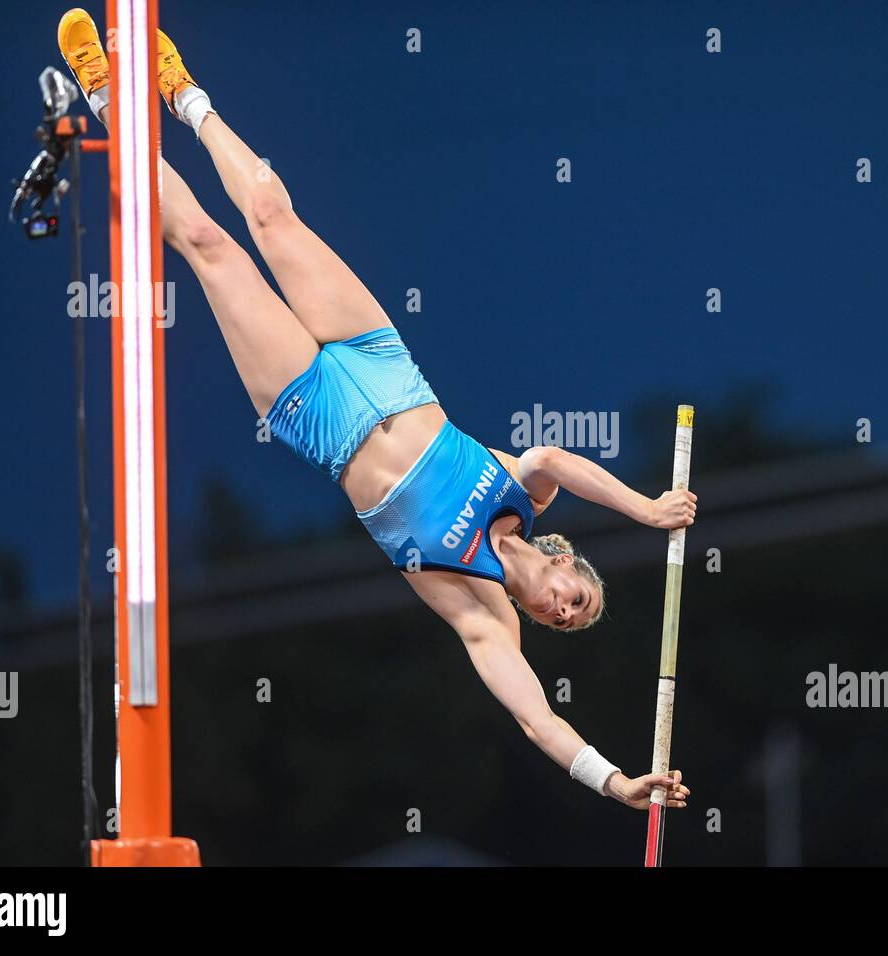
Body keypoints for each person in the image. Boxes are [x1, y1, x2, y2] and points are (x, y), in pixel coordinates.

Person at [58, 9, 693, 811]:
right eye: (581, 599)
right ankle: (182, 94)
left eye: (568, 623)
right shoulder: (523, 495)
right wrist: (647, 510)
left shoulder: (484, 613)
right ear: (565, 561)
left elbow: (535, 719)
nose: (566, 613)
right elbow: (556, 458)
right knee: (270, 214)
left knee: (206, 245)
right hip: (384, 365)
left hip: (317, 417)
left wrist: (614, 782)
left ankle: (110, 99)